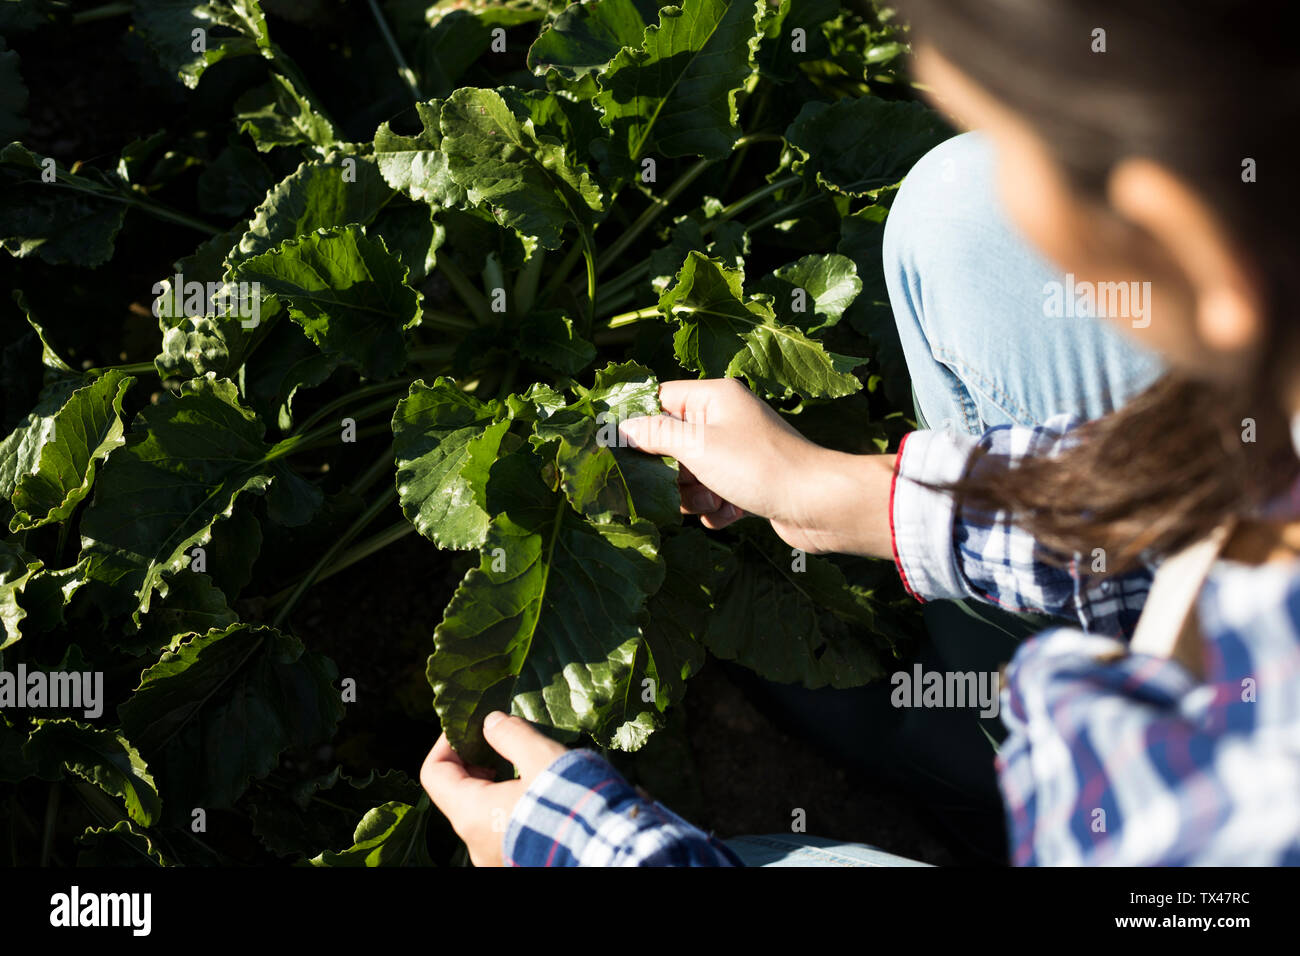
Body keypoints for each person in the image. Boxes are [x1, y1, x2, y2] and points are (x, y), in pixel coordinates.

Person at [419, 0, 1300, 866]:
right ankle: (970, 735)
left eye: (1019, 139)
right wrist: (865, 499)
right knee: (967, 216)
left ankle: (996, 784)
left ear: (1183, 235)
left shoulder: (1220, 823)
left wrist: (586, 851)